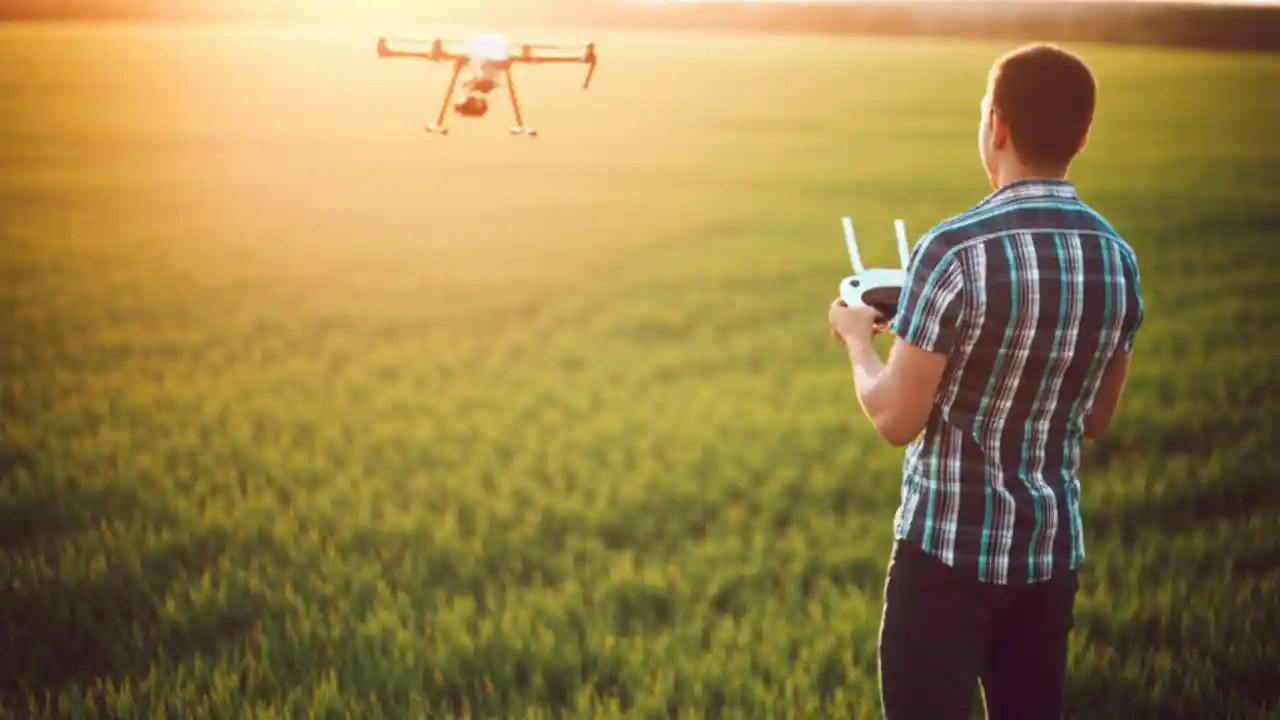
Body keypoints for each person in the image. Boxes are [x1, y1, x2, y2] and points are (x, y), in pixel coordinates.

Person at [827, 44, 1143, 719]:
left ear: (995, 126)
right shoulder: (1119, 260)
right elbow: (1096, 418)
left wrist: (860, 343)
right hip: (1049, 557)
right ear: (1082, 136)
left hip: (945, 556)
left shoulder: (954, 251)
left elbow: (893, 419)